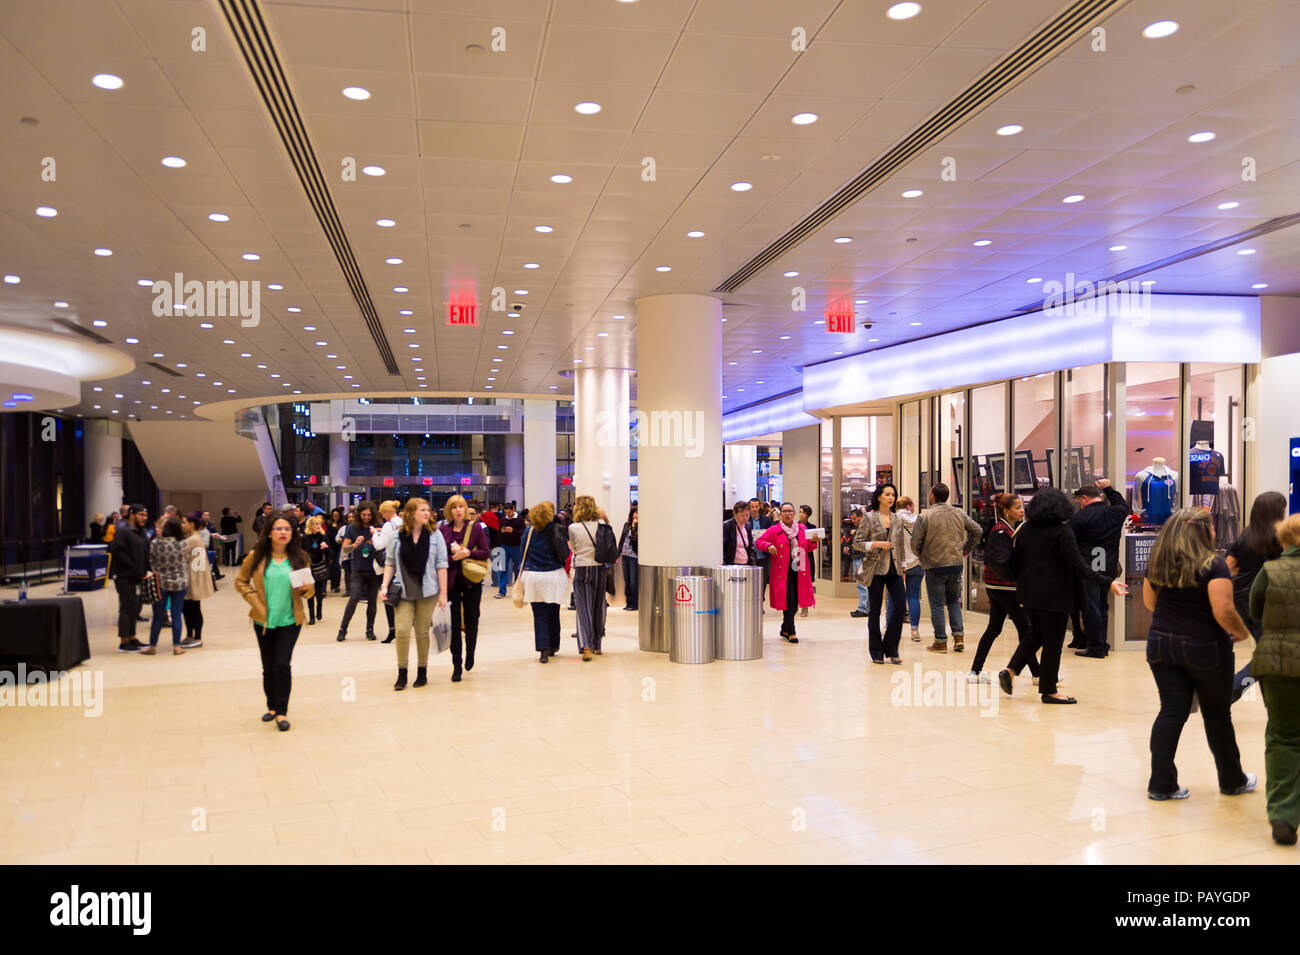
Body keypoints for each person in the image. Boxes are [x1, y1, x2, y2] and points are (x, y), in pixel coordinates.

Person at [1141, 508, 1254, 798]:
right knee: (1216, 715)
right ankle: (1232, 781)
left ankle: (1161, 784)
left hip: (1161, 644)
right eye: (1213, 528)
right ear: (1204, 532)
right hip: (1205, 648)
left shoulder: (1158, 563)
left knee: (1171, 711)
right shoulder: (1214, 565)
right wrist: (1241, 632)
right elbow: (1224, 610)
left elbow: (1150, 604)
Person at [1011, 488, 1128, 704]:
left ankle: (1010, 670)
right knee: (1053, 641)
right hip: (1055, 595)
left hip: (1028, 593)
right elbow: (1078, 565)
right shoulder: (1062, 532)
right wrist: (1108, 581)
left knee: (1036, 634)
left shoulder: (1026, 530)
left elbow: (1016, 563)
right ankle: (1049, 690)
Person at [1247, 513, 1300, 844]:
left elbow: (1255, 610)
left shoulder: (1270, 571)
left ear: (1285, 539)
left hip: (1278, 662)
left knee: (1283, 737)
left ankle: (1283, 812)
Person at [235, 514, 313, 732]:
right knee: (268, 667)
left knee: (282, 664)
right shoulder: (256, 556)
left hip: (291, 620)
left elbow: (310, 591)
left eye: (287, 529)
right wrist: (254, 600)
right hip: (264, 621)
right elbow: (241, 581)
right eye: (278, 528)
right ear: (269, 532)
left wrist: (306, 588)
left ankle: (282, 711)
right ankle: (271, 706)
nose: (283, 532)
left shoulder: (299, 557)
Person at [380, 498, 449, 691]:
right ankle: (402, 672)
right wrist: (384, 585)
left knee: (421, 632)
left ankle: (422, 671)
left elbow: (442, 564)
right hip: (403, 591)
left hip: (428, 592)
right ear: (411, 514)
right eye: (422, 510)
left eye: (428, 510)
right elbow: (390, 562)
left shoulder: (436, 535)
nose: (427, 513)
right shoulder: (396, 536)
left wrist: (443, 593)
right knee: (402, 631)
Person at [1228, 491, 1287, 702]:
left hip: (1243, 602)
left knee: (1268, 651)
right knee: (1268, 654)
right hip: (1269, 603)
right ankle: (1230, 689)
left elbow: (1229, 568)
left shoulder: (1245, 535)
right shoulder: (1281, 538)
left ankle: (1235, 690)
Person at [973, 495, 1037, 688]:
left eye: (1022, 507)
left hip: (997, 587)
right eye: (1017, 507)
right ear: (1006, 511)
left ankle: (975, 670)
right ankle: (1038, 674)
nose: (1022, 510)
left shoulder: (1005, 528)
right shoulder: (1003, 531)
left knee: (994, 628)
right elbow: (1002, 560)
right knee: (1025, 630)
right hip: (1005, 587)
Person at [912, 483, 982, 653]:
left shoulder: (925, 515)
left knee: (936, 604)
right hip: (956, 564)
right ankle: (959, 638)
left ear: (932, 496)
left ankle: (940, 642)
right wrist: (965, 549)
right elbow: (977, 530)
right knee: (953, 602)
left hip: (934, 566)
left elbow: (915, 542)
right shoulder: (958, 513)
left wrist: (921, 555)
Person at [1068, 479, 1131, 658]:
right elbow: (1121, 503)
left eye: (1080, 501)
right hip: (1108, 566)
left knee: (1091, 607)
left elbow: (1070, 543)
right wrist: (1108, 487)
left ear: (1085, 498)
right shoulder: (1117, 512)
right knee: (1102, 606)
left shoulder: (1080, 518)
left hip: (1089, 568)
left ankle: (1096, 647)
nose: (1080, 505)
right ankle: (1101, 643)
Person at [851, 484, 907, 664]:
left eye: (893, 495)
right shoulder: (869, 518)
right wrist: (876, 544)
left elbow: (900, 544)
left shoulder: (898, 519)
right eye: (887, 494)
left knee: (900, 607)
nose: (891, 497)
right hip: (875, 569)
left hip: (895, 568)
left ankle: (891, 647)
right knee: (874, 610)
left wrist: (903, 566)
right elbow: (857, 543)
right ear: (879, 497)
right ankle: (876, 651)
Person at [440, 494, 490, 681]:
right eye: (455, 507)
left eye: (461, 506)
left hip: (472, 581)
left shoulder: (475, 528)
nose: (459, 510)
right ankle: (456, 664)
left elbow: (485, 552)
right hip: (451, 583)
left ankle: (470, 652)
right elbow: (438, 557)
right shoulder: (443, 530)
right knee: (453, 625)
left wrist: (467, 553)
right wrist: (453, 557)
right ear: (449, 510)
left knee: (472, 620)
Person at [756, 502, 817, 644]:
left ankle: (784, 627)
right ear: (780, 514)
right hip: (783, 572)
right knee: (789, 600)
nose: (788, 514)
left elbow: (808, 547)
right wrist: (769, 546)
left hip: (799, 569)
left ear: (794, 513)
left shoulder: (802, 529)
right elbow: (759, 542)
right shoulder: (774, 530)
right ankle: (791, 631)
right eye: (785, 511)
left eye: (790, 511)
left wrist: (814, 541)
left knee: (795, 602)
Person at [519, 501, 571, 663]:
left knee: (539, 614)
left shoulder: (528, 532)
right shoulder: (556, 530)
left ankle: (542, 648)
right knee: (553, 612)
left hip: (533, 577)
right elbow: (564, 554)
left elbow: (523, 553)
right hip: (553, 575)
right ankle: (553, 646)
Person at [569, 494, 610, 661]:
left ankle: (586, 645)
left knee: (583, 608)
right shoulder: (601, 524)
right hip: (599, 568)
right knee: (598, 606)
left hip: (582, 568)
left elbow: (574, 548)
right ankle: (598, 645)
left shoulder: (573, 527)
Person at [337, 501, 382, 642]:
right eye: (364, 514)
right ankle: (343, 629)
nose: (367, 517)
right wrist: (355, 544)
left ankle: (370, 629)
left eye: (369, 515)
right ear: (359, 514)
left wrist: (376, 541)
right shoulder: (351, 528)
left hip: (374, 569)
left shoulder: (377, 527)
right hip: (357, 568)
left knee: (372, 602)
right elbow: (345, 549)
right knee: (354, 598)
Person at [108, 504, 150, 652]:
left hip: (138, 577)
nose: (144, 518)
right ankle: (124, 642)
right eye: (141, 515)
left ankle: (132, 637)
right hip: (125, 577)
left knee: (134, 609)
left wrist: (145, 570)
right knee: (126, 608)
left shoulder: (141, 532)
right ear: (132, 515)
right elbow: (116, 550)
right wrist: (131, 567)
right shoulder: (123, 531)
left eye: (145, 515)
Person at [146, 518, 188, 655]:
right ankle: (177, 646)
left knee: (157, 616)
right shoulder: (183, 543)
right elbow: (186, 560)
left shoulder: (155, 543)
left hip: (160, 582)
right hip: (180, 582)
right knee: (176, 614)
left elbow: (151, 561)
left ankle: (152, 646)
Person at [180, 512, 214, 649]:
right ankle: (189, 635)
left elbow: (197, 564)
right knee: (188, 609)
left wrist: (195, 581)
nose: (182, 525)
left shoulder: (193, 540)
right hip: (192, 578)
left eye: (184, 523)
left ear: (191, 524)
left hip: (193, 580)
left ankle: (197, 637)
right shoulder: (194, 538)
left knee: (193, 609)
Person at [370, 501, 402, 642]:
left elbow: (379, 545)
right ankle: (400, 629)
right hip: (402, 565)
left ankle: (392, 630)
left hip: (388, 566)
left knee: (389, 600)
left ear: (388, 511)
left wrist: (374, 534)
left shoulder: (389, 525)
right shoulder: (401, 522)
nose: (381, 515)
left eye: (382, 512)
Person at [896, 496, 924, 641]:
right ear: (909, 506)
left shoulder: (894, 519)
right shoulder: (919, 519)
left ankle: (889, 627)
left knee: (892, 597)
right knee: (913, 597)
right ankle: (914, 631)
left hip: (898, 564)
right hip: (916, 563)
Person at [302, 515, 331, 625]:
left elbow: (330, 554)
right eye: (316, 524)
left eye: (319, 524)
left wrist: (326, 548)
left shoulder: (324, 537)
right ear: (310, 525)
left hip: (320, 568)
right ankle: (312, 616)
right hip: (308, 568)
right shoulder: (305, 538)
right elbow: (300, 552)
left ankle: (319, 608)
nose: (319, 526)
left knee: (319, 593)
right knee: (310, 593)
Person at [496, 502, 526, 599]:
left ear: (513, 510)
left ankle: (519, 590)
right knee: (502, 568)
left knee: (518, 569)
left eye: (509, 512)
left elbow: (523, 533)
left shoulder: (520, 519)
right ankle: (501, 591)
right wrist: (502, 531)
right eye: (506, 513)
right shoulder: (503, 519)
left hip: (516, 547)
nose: (507, 515)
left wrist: (513, 531)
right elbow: (499, 532)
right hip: (505, 546)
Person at [844, 509, 870, 618]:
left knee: (862, 585)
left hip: (862, 558)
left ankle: (863, 609)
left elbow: (865, 545)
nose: (853, 521)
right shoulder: (859, 529)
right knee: (862, 585)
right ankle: (865, 608)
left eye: (855, 518)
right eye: (852, 519)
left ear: (861, 517)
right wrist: (849, 548)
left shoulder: (865, 528)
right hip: (857, 557)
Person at [619, 503, 639, 611]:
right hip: (625, 555)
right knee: (627, 580)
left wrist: (635, 527)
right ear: (631, 514)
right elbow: (622, 539)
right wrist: (618, 553)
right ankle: (628, 602)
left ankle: (635, 604)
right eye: (635, 513)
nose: (637, 515)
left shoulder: (640, 526)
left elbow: (635, 539)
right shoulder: (626, 525)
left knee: (633, 581)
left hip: (634, 556)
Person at [723, 501, 755, 567]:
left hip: (746, 564)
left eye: (747, 515)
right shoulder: (727, 526)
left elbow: (750, 546)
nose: (745, 518)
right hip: (732, 565)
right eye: (742, 515)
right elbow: (724, 548)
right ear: (734, 514)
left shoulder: (747, 526)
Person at [326, 507, 346, 594]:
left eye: (337, 516)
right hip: (331, 547)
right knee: (331, 567)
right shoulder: (328, 523)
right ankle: (332, 585)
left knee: (337, 567)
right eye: (334, 516)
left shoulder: (343, 524)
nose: (335, 518)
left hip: (339, 548)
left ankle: (337, 585)